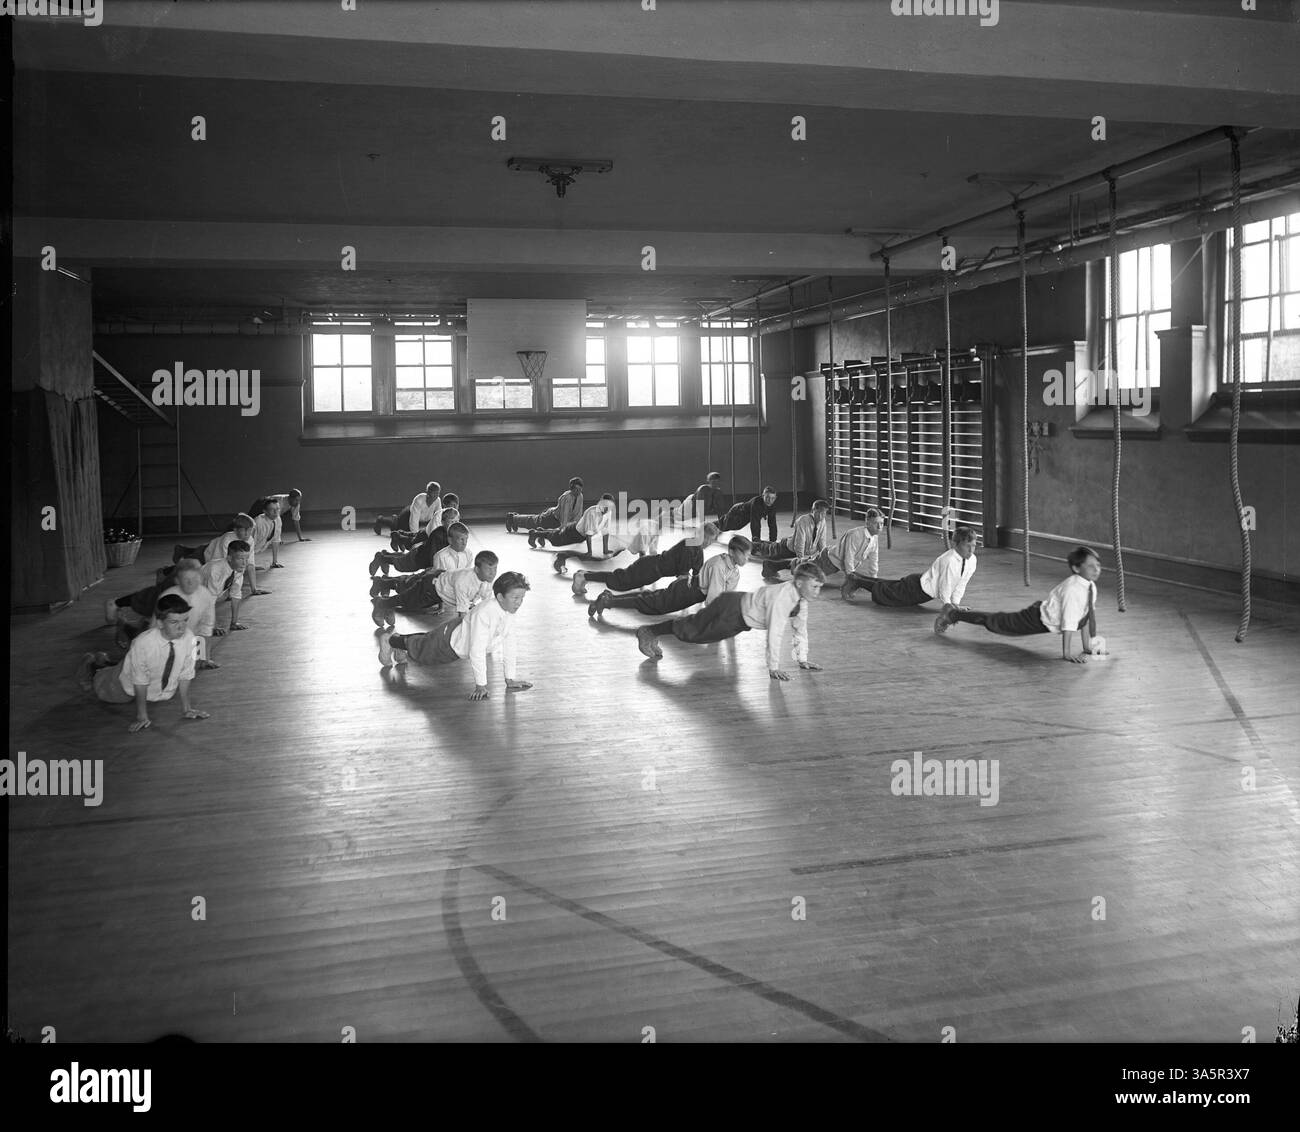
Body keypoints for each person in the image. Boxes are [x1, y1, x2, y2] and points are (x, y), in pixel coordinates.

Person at [635, 562, 826, 681]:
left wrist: (802, 659)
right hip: (733, 613)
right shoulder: (784, 597)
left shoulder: (800, 600)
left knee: (693, 625)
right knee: (693, 633)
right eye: (815, 586)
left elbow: (800, 629)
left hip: (733, 603)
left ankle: (650, 632)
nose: (817, 592)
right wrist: (773, 667)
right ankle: (648, 632)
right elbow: (775, 633)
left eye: (819, 587)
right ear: (800, 583)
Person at [934, 546, 1109, 662]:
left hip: (1045, 618)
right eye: (1091, 566)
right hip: (1035, 619)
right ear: (1077, 568)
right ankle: (951, 614)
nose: (1096, 569)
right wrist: (1067, 654)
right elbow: (1069, 623)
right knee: (994, 622)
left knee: (995, 621)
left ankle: (952, 613)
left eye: (1098, 565)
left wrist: (1087, 647)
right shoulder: (1073, 589)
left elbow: (1086, 618)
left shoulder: (1089, 586)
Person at [378, 571, 535, 701]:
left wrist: (510, 679)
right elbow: (476, 651)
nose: (519, 602)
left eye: (522, 598)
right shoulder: (485, 613)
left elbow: (510, 644)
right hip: (449, 643)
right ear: (500, 597)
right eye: (515, 598)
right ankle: (390, 640)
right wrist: (481, 685)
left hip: (457, 634)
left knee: (423, 642)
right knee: (422, 652)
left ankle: (398, 642)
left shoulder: (508, 611)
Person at [77, 593, 210, 732]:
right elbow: (139, 681)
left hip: (147, 671)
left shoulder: (190, 638)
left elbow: (186, 674)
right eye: (174, 622)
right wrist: (142, 716)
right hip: (125, 683)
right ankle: (92, 665)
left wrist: (187, 709)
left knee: (133, 665)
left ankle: (105, 660)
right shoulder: (143, 644)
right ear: (159, 623)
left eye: (185, 620)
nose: (182, 627)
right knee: (108, 693)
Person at [589, 536, 749, 618]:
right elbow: (713, 600)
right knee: (649, 603)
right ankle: (609, 601)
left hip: (690, 592)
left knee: (649, 599)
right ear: (732, 552)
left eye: (748, 555)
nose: (747, 559)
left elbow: (726, 596)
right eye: (744, 554)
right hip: (687, 591)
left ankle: (610, 598)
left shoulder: (733, 571)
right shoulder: (718, 566)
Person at [570, 523, 721, 596]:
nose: (709, 543)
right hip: (649, 567)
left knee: (619, 580)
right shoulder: (689, 546)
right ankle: (583, 576)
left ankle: (584, 574)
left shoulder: (698, 550)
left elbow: (698, 574)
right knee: (619, 582)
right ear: (701, 535)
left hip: (652, 571)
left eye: (712, 541)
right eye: (708, 539)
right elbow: (683, 578)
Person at [849, 525, 977, 608]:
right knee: (885, 593)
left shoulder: (972, 560)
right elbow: (946, 586)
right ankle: (857, 581)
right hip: (916, 588)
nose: (971, 550)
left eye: (973, 546)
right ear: (955, 544)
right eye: (967, 546)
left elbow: (961, 583)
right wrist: (949, 606)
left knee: (888, 586)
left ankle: (857, 577)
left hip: (921, 588)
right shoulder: (949, 560)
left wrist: (955, 604)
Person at [371, 550, 498, 627]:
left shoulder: (487, 580)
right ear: (477, 569)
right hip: (431, 587)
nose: (493, 573)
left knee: (407, 598)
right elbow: (462, 615)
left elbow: (487, 603)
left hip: (439, 583)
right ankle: (381, 603)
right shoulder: (465, 582)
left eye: (495, 569)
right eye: (488, 569)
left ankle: (386, 597)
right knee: (407, 601)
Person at [156, 558, 219, 669]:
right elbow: (155, 628)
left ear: (200, 578)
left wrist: (205, 658)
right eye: (186, 579)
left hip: (188, 639)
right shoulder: (168, 596)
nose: (190, 583)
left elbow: (206, 628)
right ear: (177, 581)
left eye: (194, 578)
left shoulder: (206, 595)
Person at [803, 509, 884, 595]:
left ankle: (804, 561)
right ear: (867, 522)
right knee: (807, 572)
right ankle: (793, 562)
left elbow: (874, 558)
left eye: (882, 523)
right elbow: (849, 556)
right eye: (876, 523)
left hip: (840, 564)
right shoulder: (855, 534)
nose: (879, 527)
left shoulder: (874, 538)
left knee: (808, 567)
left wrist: (874, 578)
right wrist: (851, 578)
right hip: (829, 561)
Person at [530, 495, 617, 572]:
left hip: (580, 534)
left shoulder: (608, 512)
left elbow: (605, 531)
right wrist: (589, 552)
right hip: (573, 532)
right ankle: (536, 533)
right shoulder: (592, 512)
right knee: (555, 540)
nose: (607, 508)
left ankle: (541, 532)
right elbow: (588, 534)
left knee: (555, 535)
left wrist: (605, 549)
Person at [749, 498, 831, 580]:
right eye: (818, 513)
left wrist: (825, 556)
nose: (821, 516)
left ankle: (758, 541)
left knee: (770, 546)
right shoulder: (803, 520)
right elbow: (800, 542)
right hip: (788, 548)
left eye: (824, 514)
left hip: (795, 547)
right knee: (766, 549)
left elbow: (822, 541)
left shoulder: (822, 522)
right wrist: (800, 561)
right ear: (813, 510)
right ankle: (751, 544)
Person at [369, 509, 462, 576]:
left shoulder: (454, 534)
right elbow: (433, 554)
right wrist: (434, 571)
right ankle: (381, 558)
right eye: (451, 521)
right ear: (443, 522)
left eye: (456, 521)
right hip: (419, 557)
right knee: (402, 564)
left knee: (402, 559)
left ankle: (386, 554)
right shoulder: (438, 534)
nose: (454, 524)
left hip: (425, 558)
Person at [200, 539, 252, 634]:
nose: (244, 563)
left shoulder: (238, 568)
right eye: (240, 559)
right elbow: (210, 601)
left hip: (208, 595)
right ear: (229, 558)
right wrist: (213, 627)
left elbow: (236, 595)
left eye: (246, 559)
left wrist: (234, 622)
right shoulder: (215, 570)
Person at [507, 477, 584, 533]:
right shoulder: (566, 497)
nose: (579, 491)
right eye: (576, 489)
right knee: (532, 522)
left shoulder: (580, 496)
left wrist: (577, 528)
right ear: (571, 489)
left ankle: (515, 519)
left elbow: (578, 514)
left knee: (533, 522)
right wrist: (566, 530)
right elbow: (565, 516)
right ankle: (512, 518)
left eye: (580, 489)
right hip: (551, 517)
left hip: (558, 521)